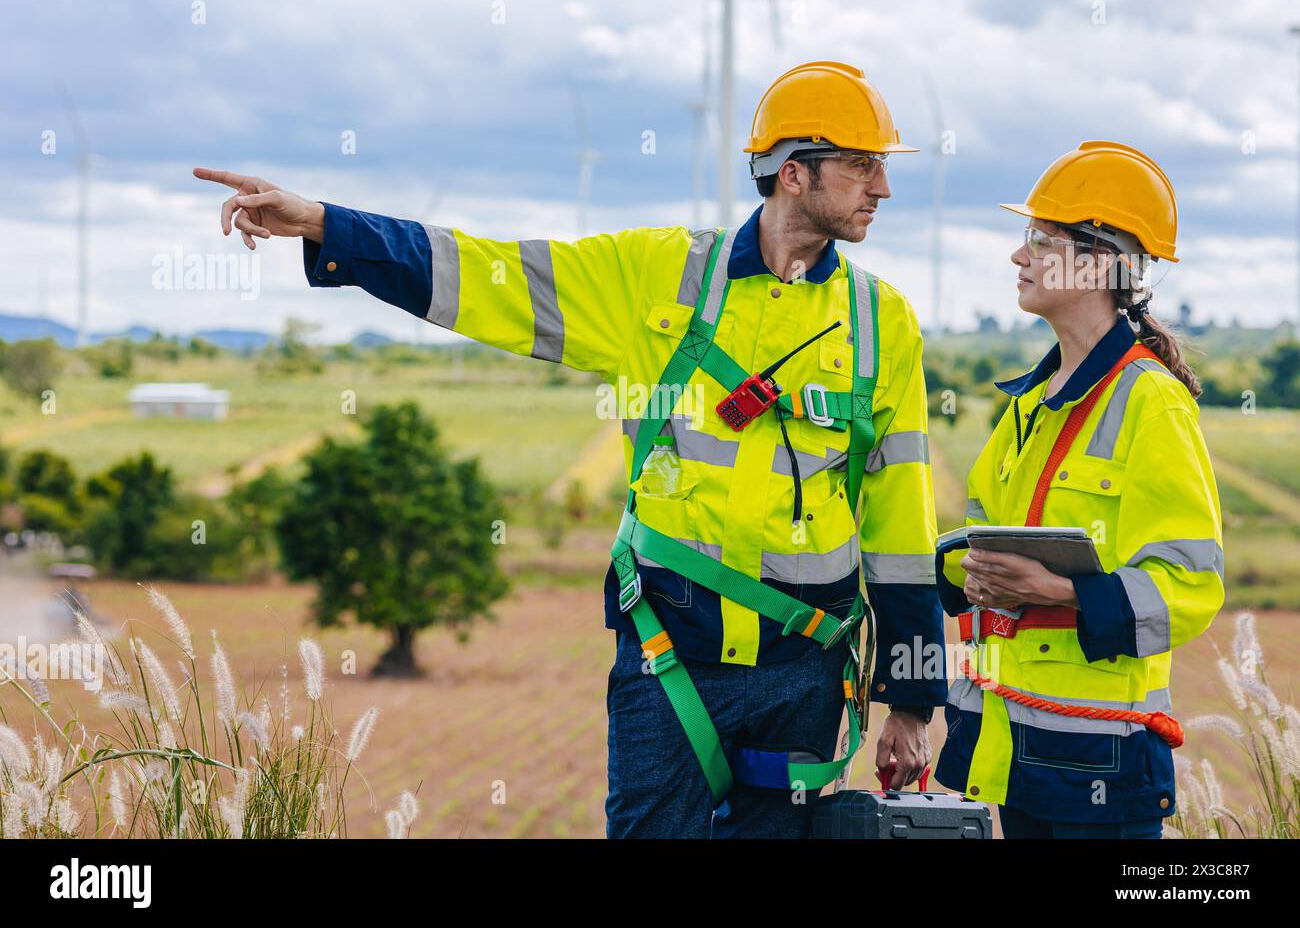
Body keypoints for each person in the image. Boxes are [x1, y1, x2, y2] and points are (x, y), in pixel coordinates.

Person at [195, 60, 947, 838]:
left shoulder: (882, 320)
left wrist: (914, 701)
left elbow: (901, 528)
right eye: (863, 165)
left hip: (807, 669)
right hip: (671, 655)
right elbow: (485, 277)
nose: (882, 188)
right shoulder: (655, 276)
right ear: (793, 172)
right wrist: (325, 224)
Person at [933, 141, 1224, 838]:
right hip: (1013, 746)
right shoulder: (1030, 403)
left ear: (1098, 262)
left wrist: (1057, 592)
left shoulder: (1152, 403)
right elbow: (978, 533)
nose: (1019, 256)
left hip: (1101, 758)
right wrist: (962, 572)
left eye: (1041, 239)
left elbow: (1190, 587)